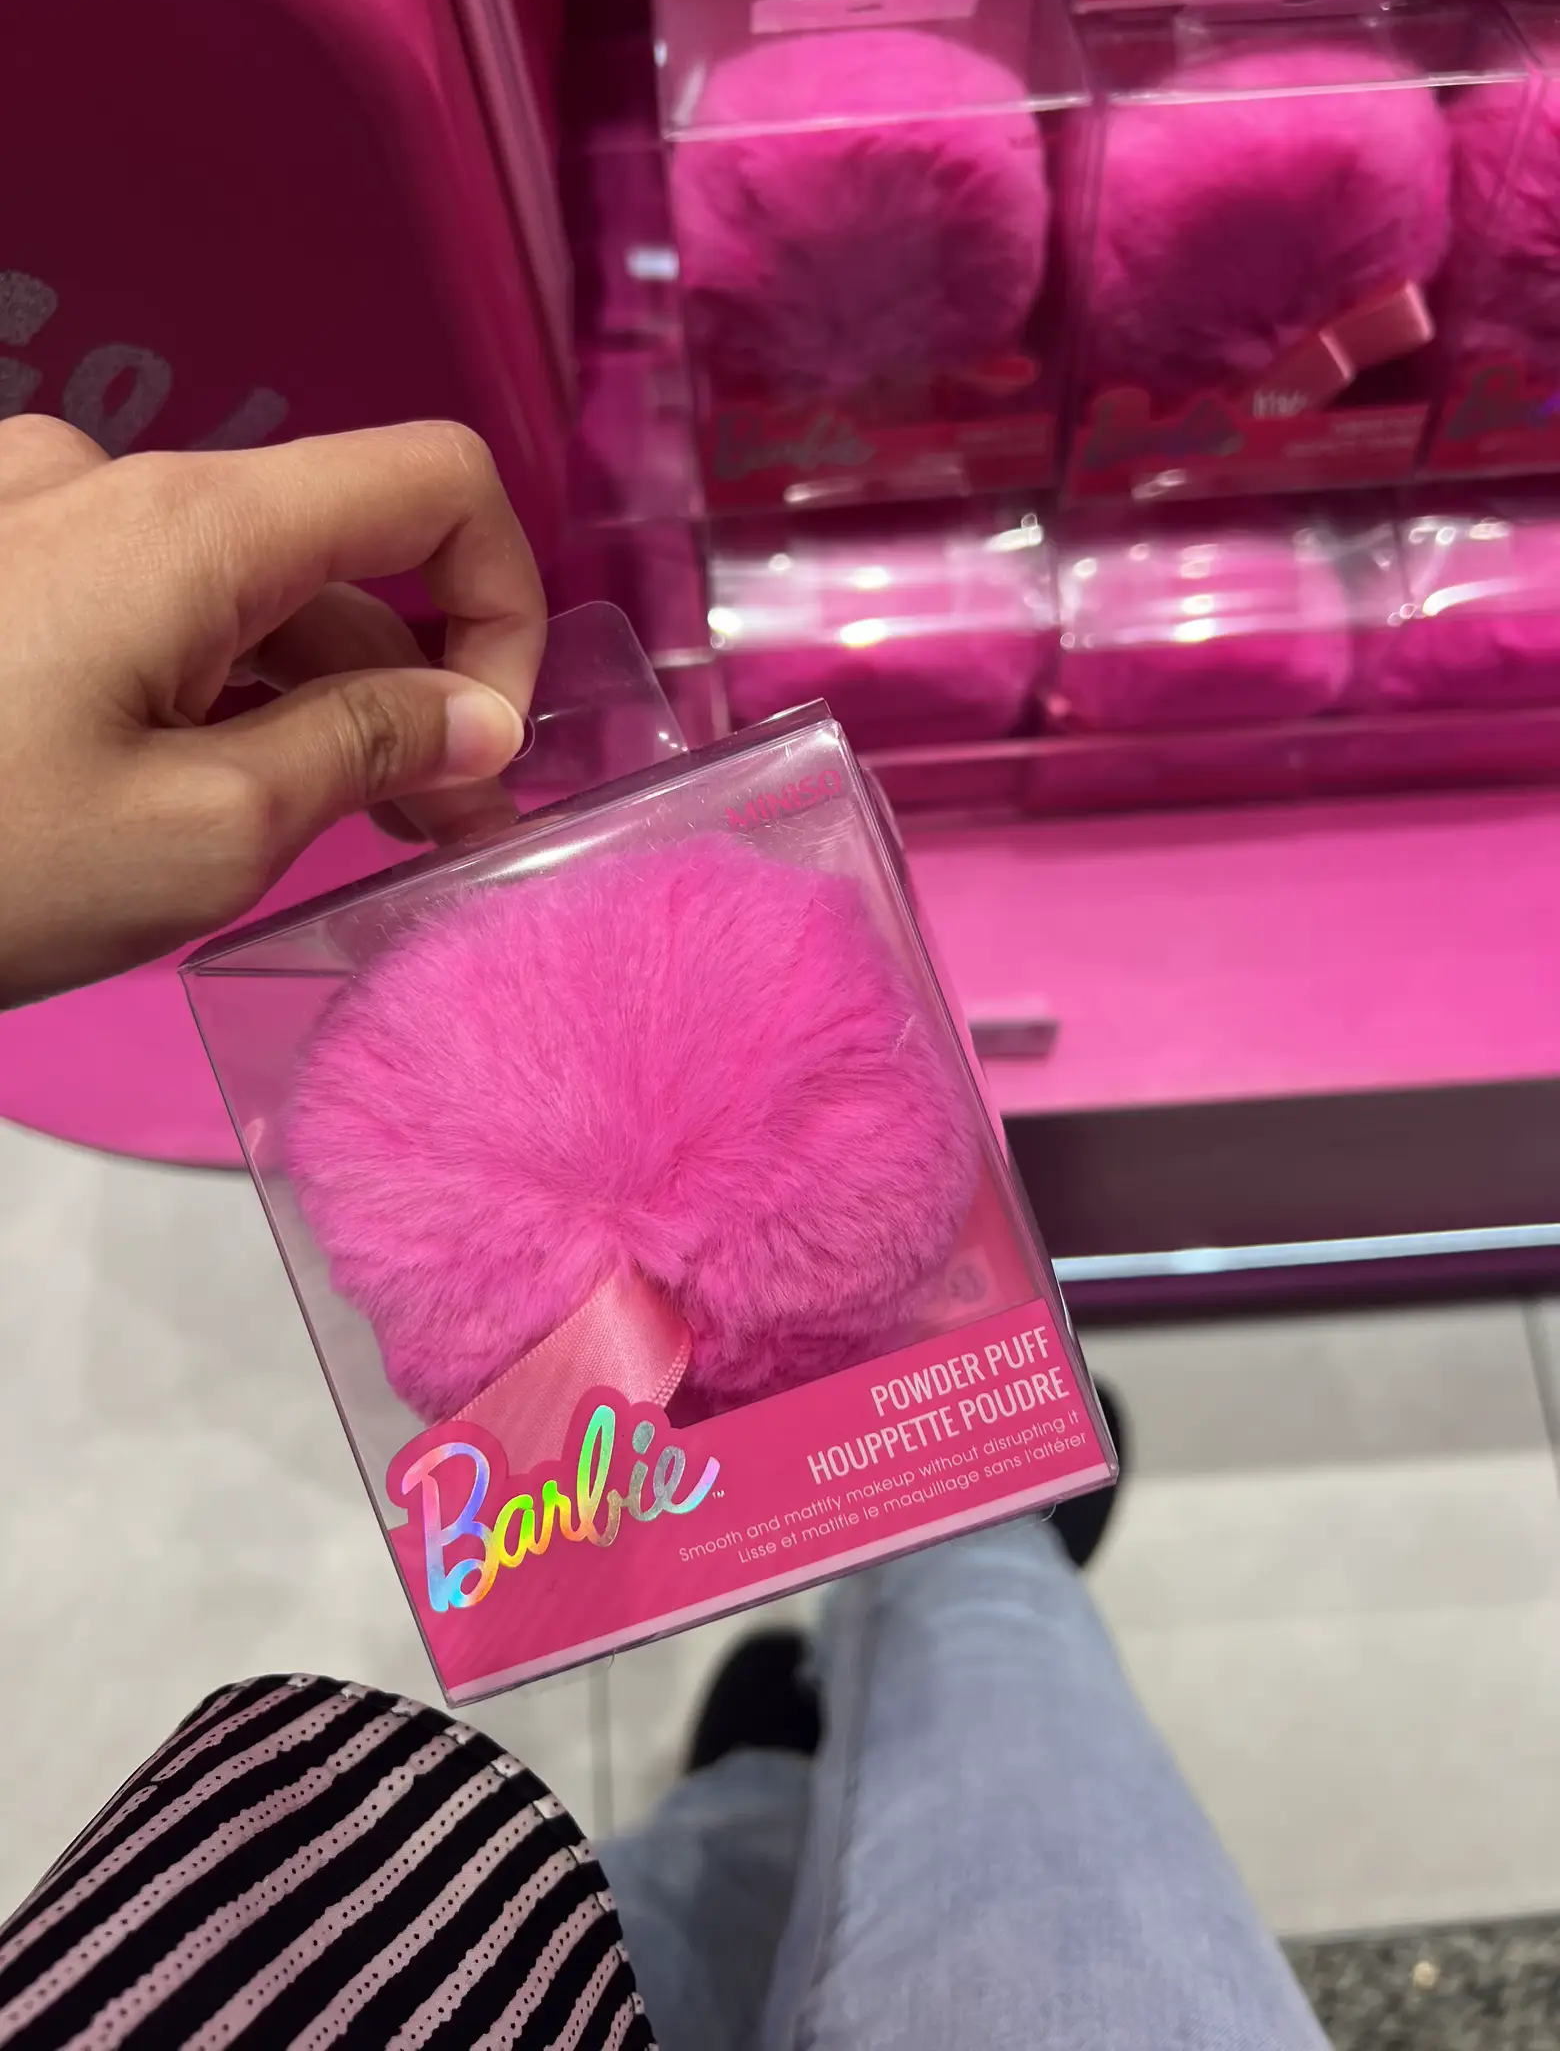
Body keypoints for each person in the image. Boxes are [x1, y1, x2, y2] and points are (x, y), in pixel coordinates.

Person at [0, 416, 1328, 2051]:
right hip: (364, 1953)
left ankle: (761, 1783)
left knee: (661, 1923)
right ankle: (965, 1574)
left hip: (335, 1977)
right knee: (1032, 1830)